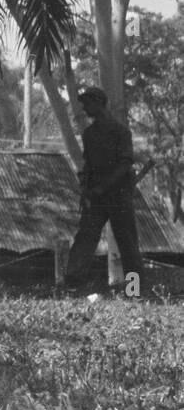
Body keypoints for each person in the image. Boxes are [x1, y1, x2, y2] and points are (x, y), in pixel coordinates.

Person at [65, 86, 145, 294]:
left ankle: (134, 290)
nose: (85, 108)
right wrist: (87, 189)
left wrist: (103, 187)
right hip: (96, 196)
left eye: (88, 103)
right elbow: (88, 166)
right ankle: (73, 286)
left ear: (100, 103)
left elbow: (125, 163)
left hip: (119, 195)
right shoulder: (89, 134)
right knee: (85, 238)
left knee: (127, 243)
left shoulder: (121, 132)